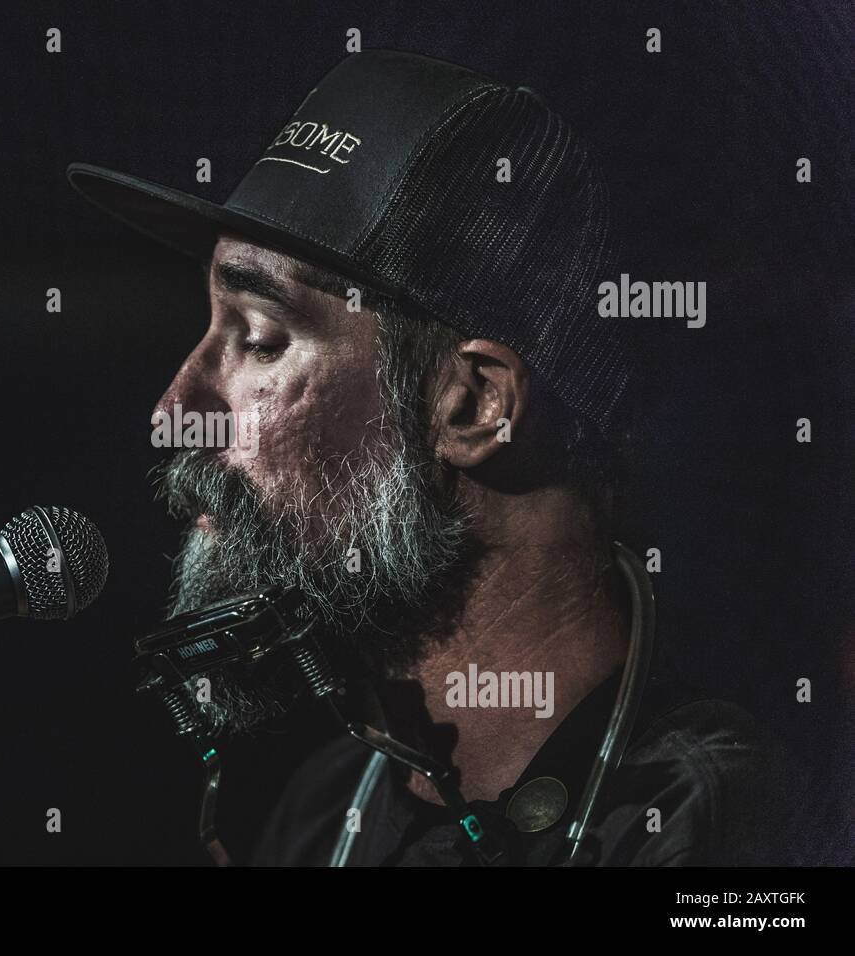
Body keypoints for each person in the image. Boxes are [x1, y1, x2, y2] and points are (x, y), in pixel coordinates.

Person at [69, 50, 797, 865]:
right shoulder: (322, 806)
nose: (176, 410)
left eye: (262, 340)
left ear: (475, 404)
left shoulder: (714, 820)